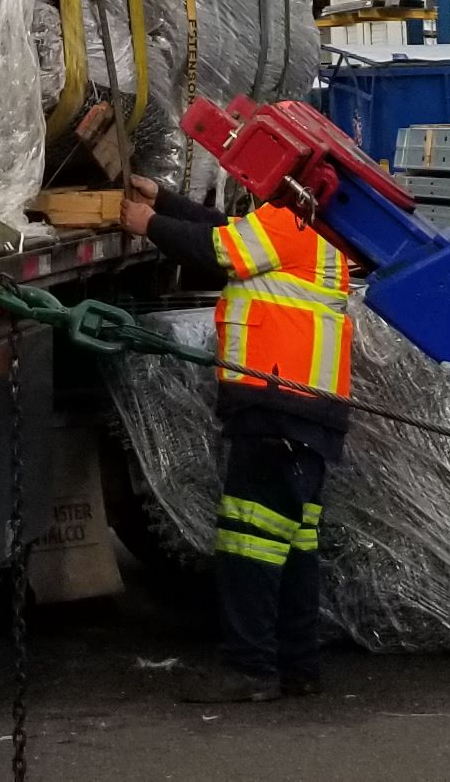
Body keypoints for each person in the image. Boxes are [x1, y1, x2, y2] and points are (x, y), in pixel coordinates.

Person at [124, 168, 355, 702]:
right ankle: (297, 666)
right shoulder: (310, 227)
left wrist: (148, 222)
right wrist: (167, 200)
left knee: (247, 546)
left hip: (277, 410)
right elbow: (227, 230)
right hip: (305, 416)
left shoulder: (285, 220)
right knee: (293, 548)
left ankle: (249, 669)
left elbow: (216, 250)